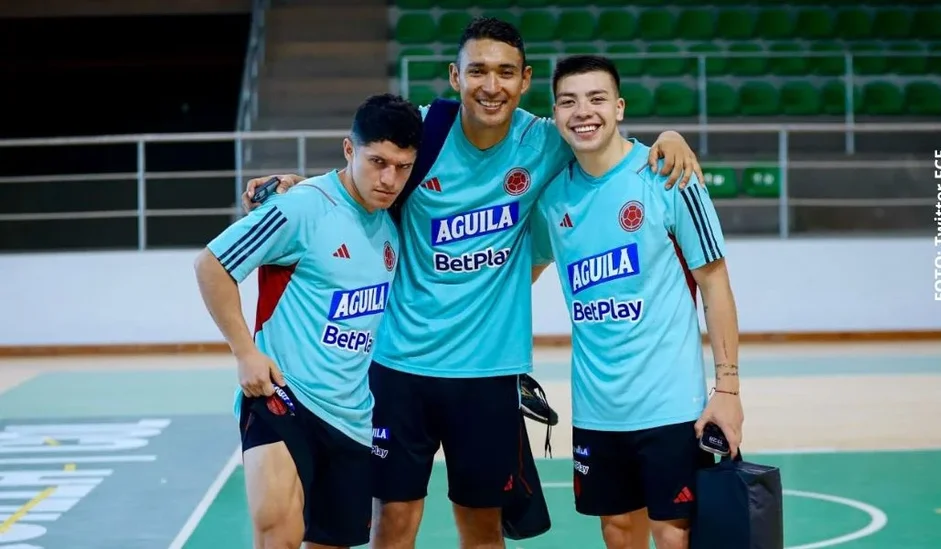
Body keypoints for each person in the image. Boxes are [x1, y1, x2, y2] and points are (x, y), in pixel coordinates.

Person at [243, 17, 705, 549]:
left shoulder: (544, 141)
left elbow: (603, 138)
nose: (492, 84)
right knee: (392, 523)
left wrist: (665, 138)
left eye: (506, 72)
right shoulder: (421, 132)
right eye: (478, 70)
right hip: (400, 370)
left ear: (525, 79)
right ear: (455, 76)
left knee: (483, 528)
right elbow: (362, 178)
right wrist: (296, 186)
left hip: (488, 375)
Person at [529, 54, 744, 549]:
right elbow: (520, 276)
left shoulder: (668, 176)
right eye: (569, 102)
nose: (584, 111)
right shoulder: (552, 200)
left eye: (597, 98)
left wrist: (728, 391)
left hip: (673, 406)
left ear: (620, 107)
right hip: (596, 409)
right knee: (619, 532)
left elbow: (715, 284)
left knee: (672, 537)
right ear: (556, 115)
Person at [194, 93, 423, 549]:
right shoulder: (301, 208)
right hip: (283, 396)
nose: (389, 178)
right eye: (377, 161)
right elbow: (212, 265)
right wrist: (245, 353)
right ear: (348, 150)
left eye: (402, 166)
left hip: (353, 415)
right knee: (277, 532)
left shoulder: (391, 221)